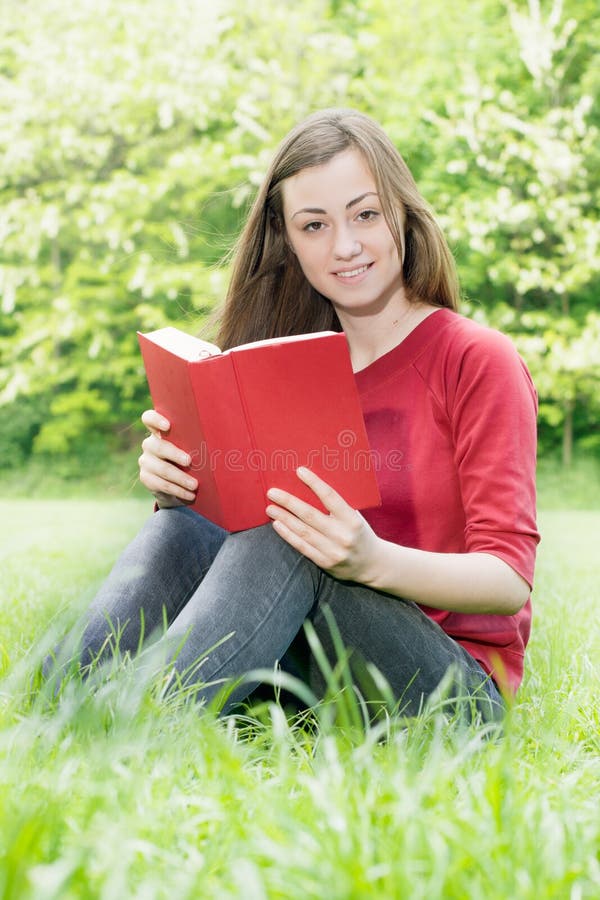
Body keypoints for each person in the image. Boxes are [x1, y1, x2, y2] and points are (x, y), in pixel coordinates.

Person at [45, 108, 540, 722]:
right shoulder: (285, 368)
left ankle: (139, 723)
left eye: (366, 213)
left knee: (297, 535)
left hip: (447, 687)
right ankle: (48, 706)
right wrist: (182, 485)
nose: (346, 245)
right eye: (315, 225)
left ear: (403, 213)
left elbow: (508, 578)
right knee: (181, 529)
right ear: (288, 239)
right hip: (306, 668)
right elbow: (227, 546)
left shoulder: (475, 359)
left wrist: (370, 559)